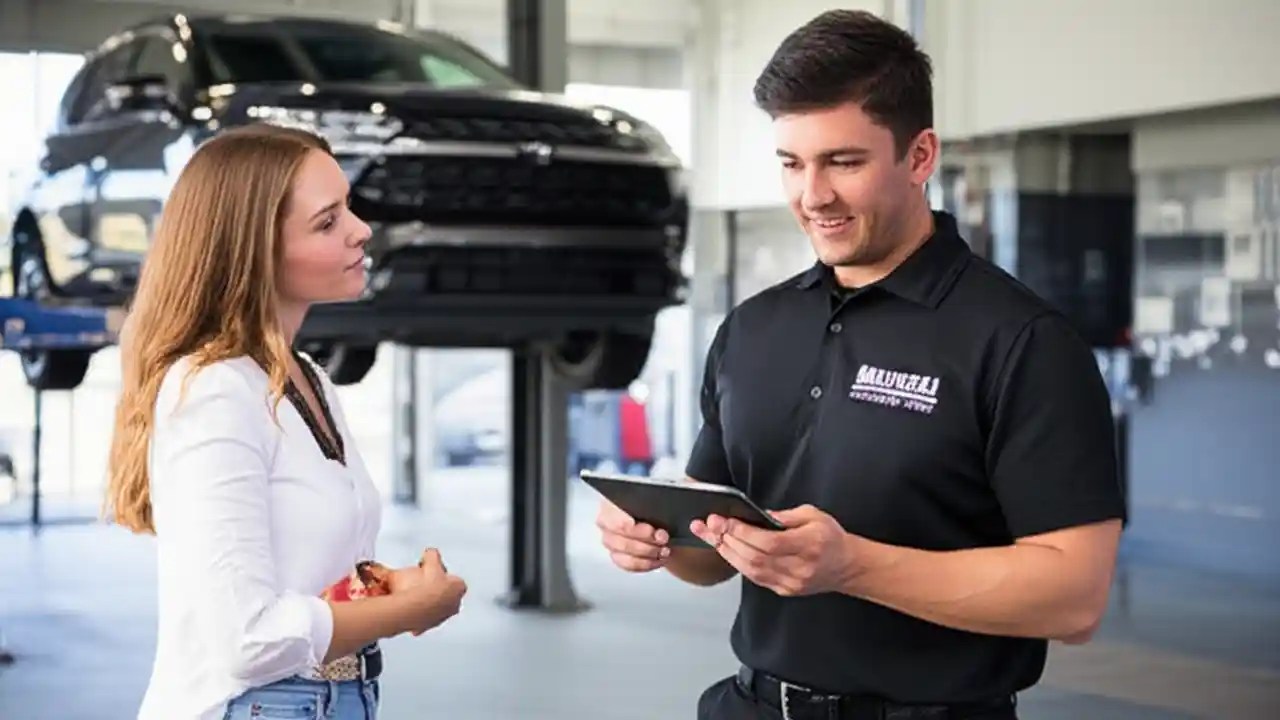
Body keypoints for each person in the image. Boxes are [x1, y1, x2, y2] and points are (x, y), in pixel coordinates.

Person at [597, 10, 1126, 720]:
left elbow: (1075, 599)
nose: (813, 196)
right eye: (792, 163)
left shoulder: (1022, 341)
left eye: (844, 162)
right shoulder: (754, 329)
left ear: (920, 156)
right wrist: (659, 538)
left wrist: (853, 566)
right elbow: (714, 554)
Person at [105, 123, 468, 720]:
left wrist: (383, 588)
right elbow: (247, 639)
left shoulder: (306, 379)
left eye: (348, 208)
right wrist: (411, 612)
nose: (361, 231)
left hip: (335, 697)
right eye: (327, 222)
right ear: (252, 250)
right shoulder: (215, 390)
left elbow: (300, 577)